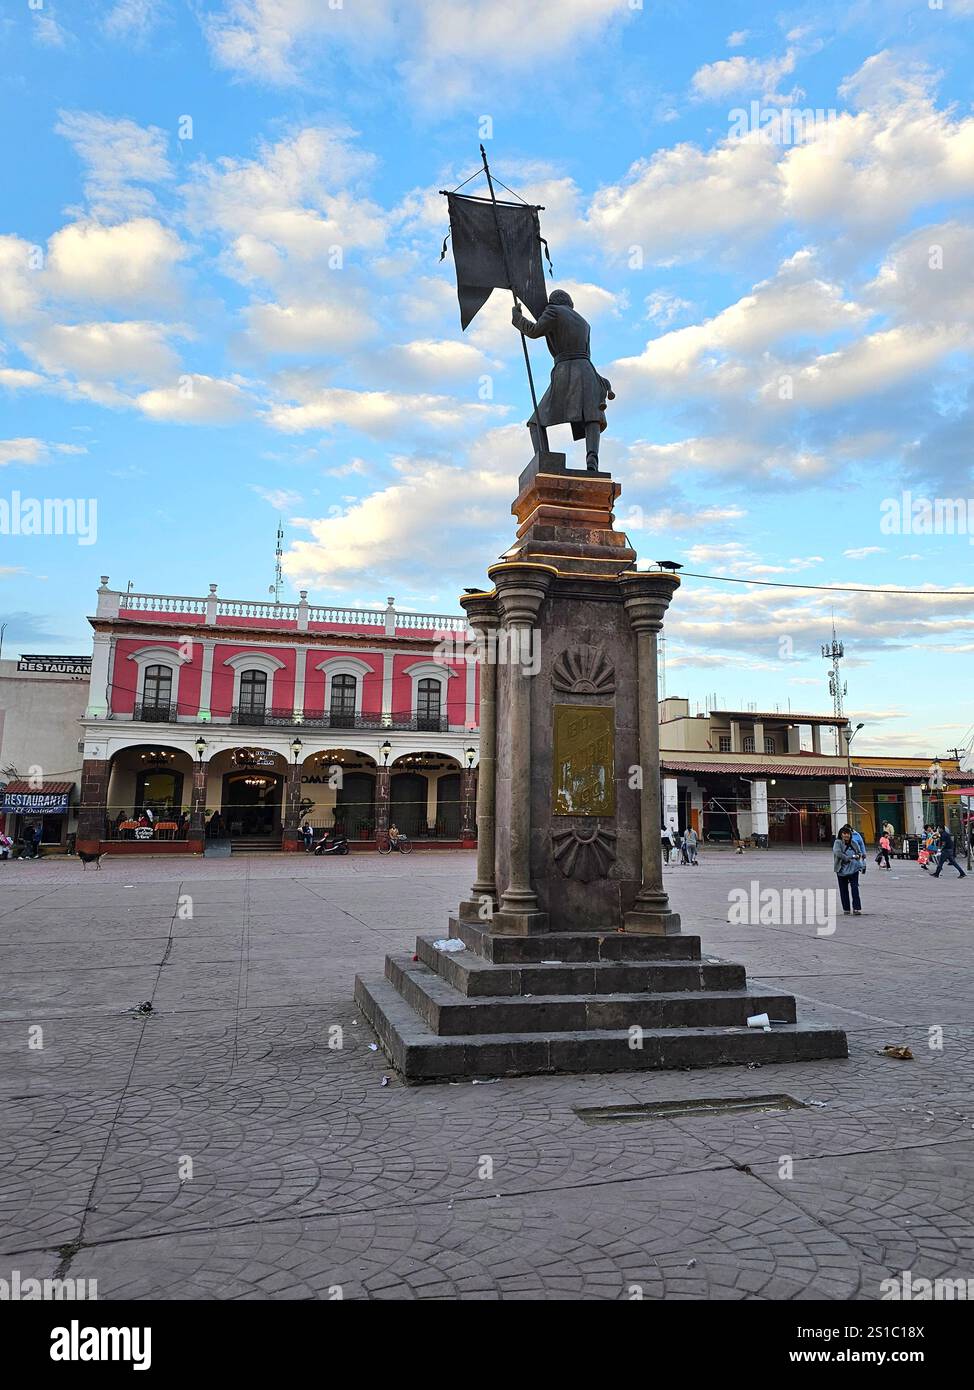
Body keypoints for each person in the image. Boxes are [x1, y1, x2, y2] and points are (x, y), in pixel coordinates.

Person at [511, 290, 615, 471]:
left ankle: (545, 460)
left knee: (536, 421)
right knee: (591, 417)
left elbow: (534, 331)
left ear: (553, 301)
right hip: (587, 370)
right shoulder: (584, 322)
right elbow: (587, 353)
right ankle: (592, 460)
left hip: (566, 370)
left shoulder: (553, 311)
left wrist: (517, 318)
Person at [834, 825, 865, 915]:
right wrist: (848, 858)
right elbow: (837, 853)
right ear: (841, 834)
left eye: (848, 834)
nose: (846, 835)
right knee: (843, 890)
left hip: (854, 869)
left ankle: (856, 908)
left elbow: (859, 852)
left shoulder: (854, 843)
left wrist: (859, 856)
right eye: (844, 834)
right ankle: (846, 909)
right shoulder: (838, 842)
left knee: (855, 888)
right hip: (841, 869)